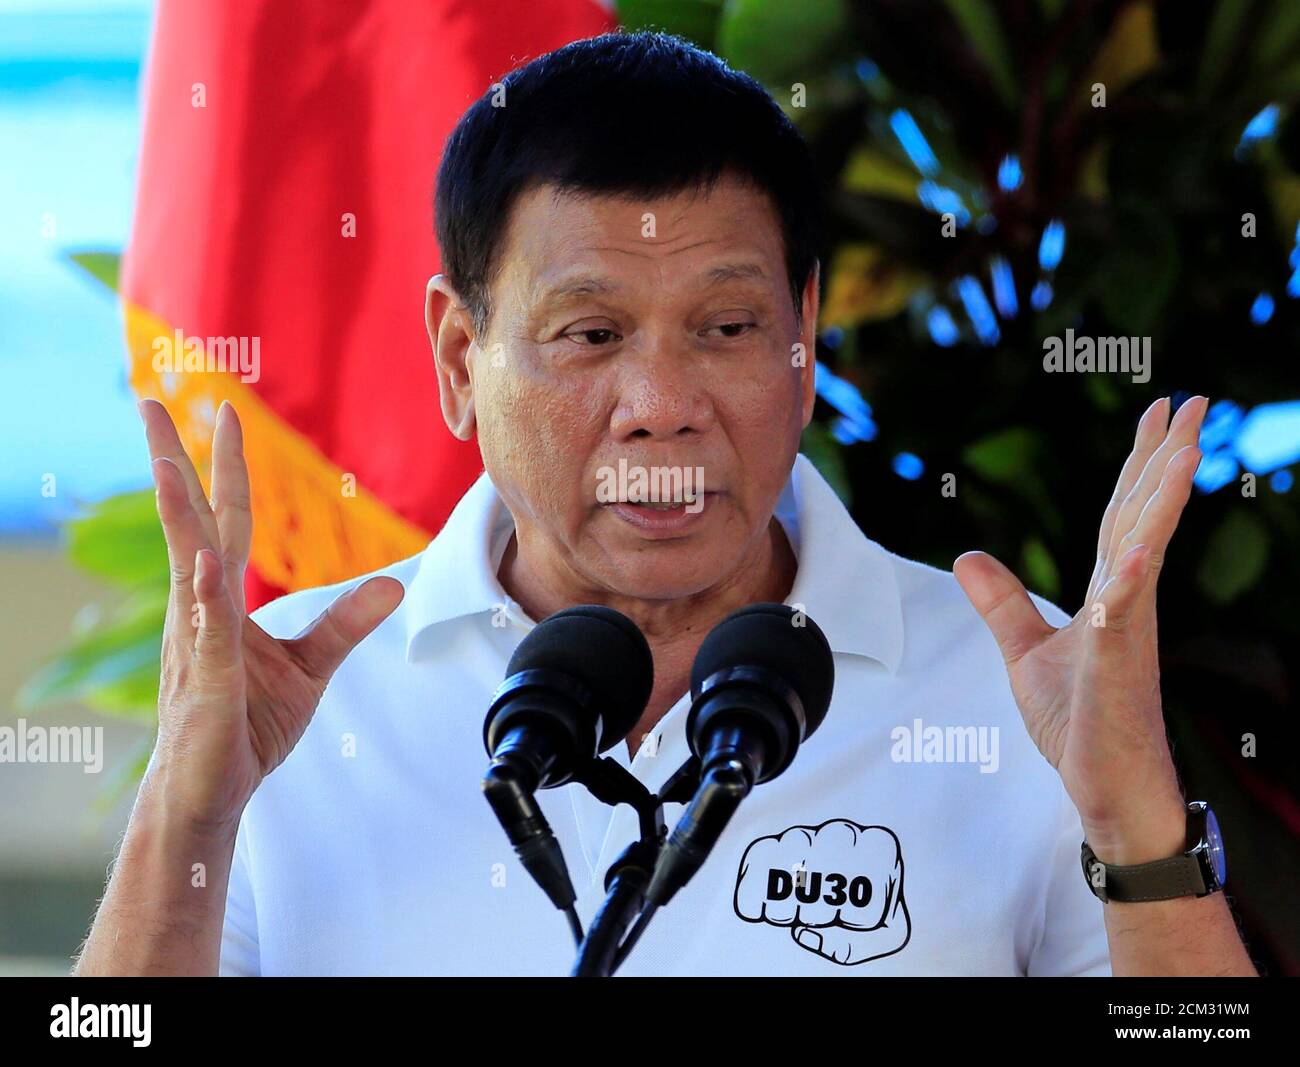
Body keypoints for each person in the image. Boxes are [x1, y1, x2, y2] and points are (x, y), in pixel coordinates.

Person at [76, 30, 1256, 976]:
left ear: (804, 339)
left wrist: (1138, 831)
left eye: (728, 328)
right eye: (590, 334)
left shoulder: (1025, 697)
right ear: (455, 358)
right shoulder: (281, 708)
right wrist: (183, 823)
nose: (660, 403)